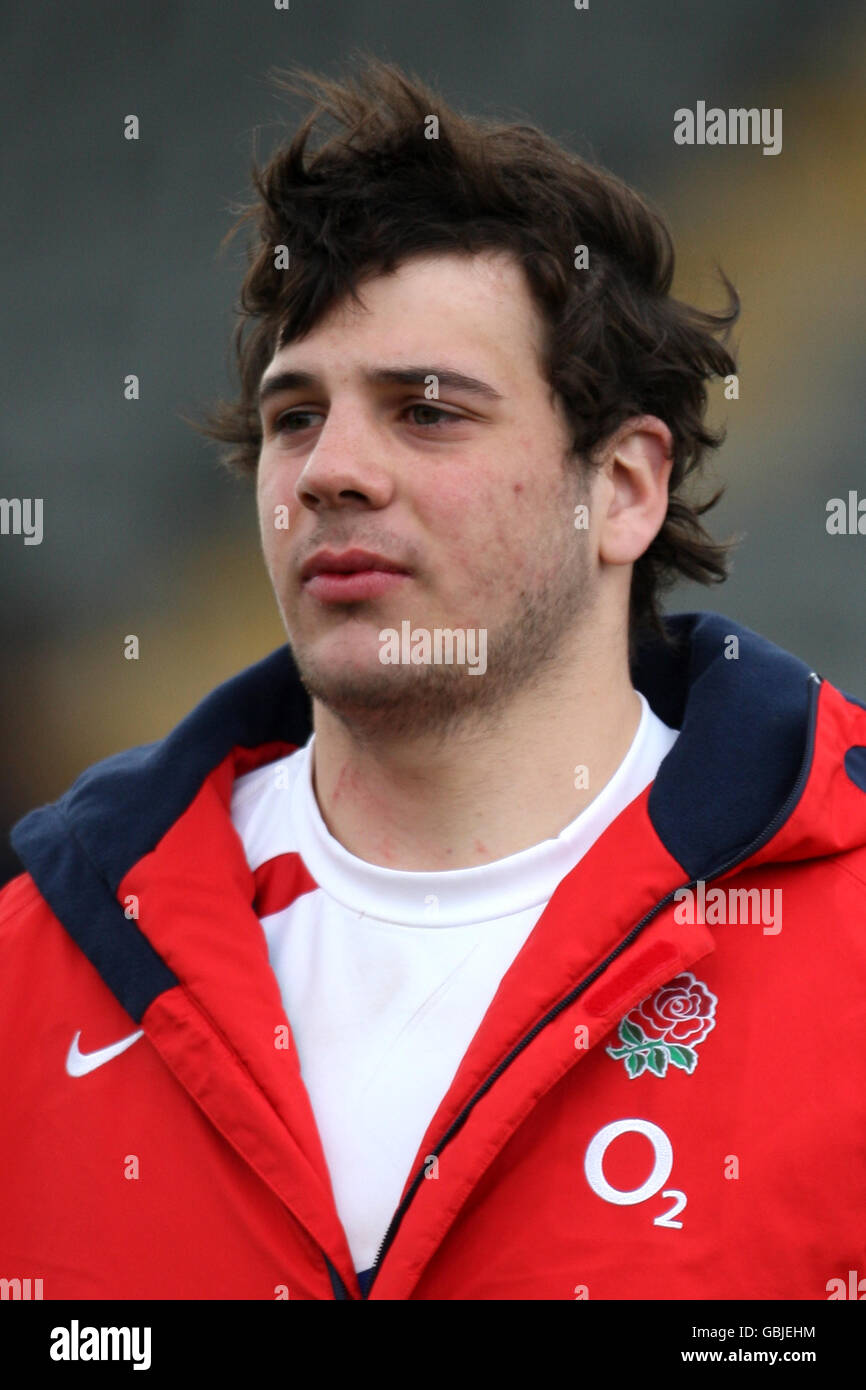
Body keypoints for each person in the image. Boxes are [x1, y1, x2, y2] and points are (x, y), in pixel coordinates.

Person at [1, 56, 864, 1303]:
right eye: (295, 417)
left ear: (621, 489)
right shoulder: (42, 961)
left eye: (426, 411)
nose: (330, 471)